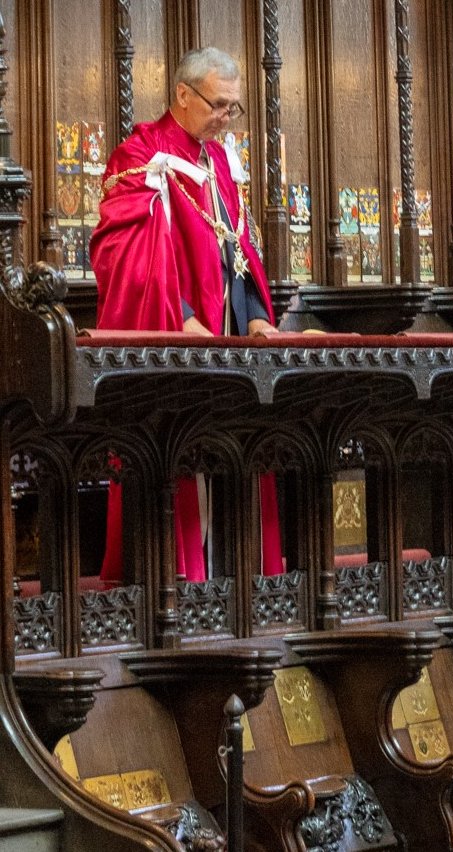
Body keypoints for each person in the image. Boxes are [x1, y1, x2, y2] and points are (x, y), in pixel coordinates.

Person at [90, 47, 281, 583]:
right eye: (219, 105)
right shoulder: (140, 153)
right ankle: (180, 586)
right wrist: (181, 314)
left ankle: (241, 584)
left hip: (231, 350)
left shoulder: (219, 161)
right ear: (182, 95)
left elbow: (235, 248)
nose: (225, 117)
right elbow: (125, 253)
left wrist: (254, 317)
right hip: (178, 349)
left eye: (233, 108)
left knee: (239, 455)